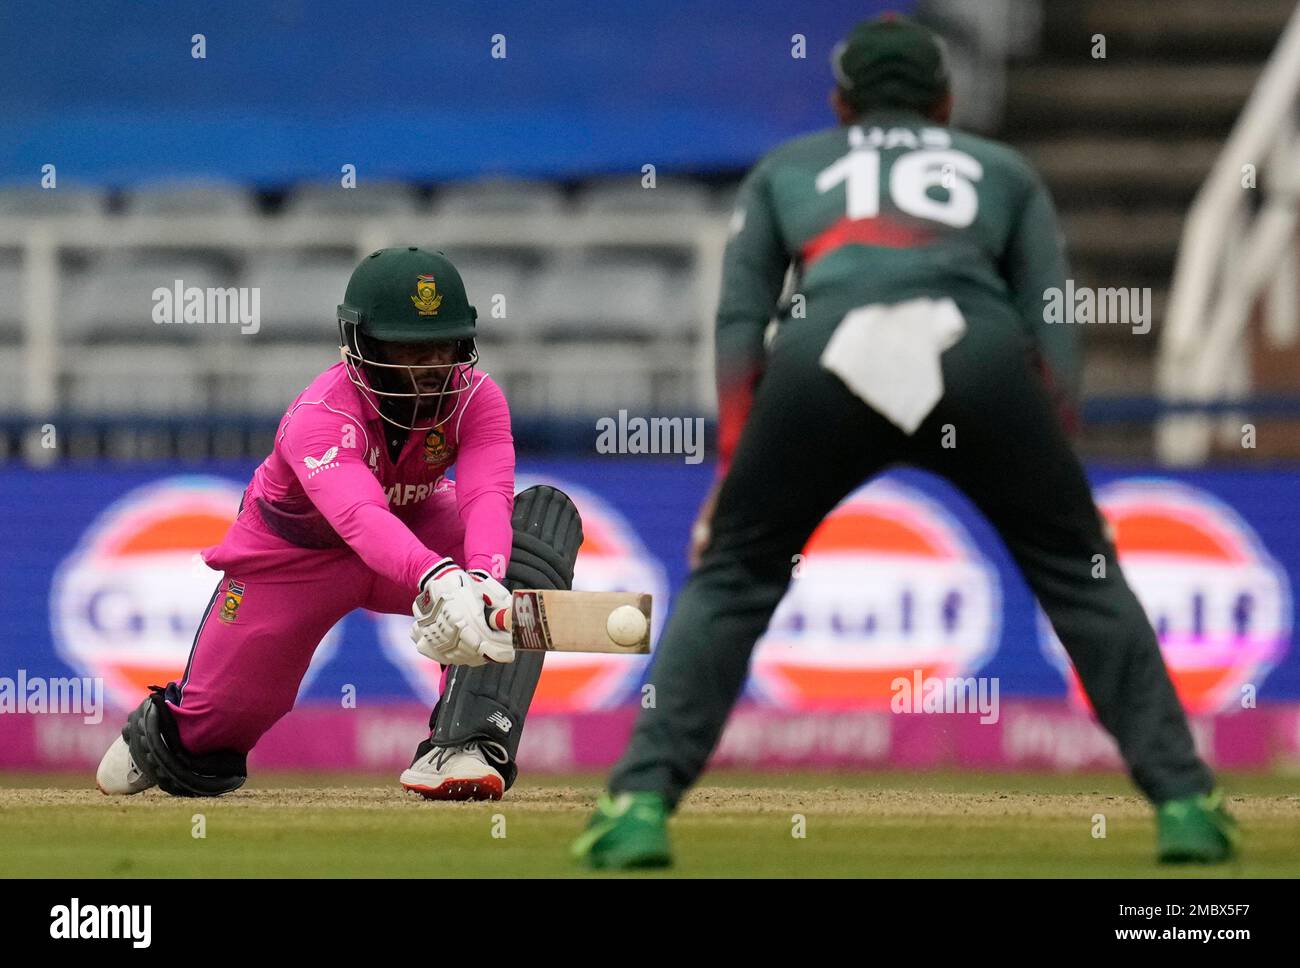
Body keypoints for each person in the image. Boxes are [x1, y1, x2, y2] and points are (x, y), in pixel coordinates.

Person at [573, 14, 1238, 869]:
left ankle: (638, 807)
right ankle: (1184, 803)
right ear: (948, 101)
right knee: (1081, 574)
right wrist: (1055, 459)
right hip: (978, 354)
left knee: (735, 575)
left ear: (841, 104)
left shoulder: (788, 167)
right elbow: (1053, 327)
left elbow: (741, 319)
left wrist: (735, 469)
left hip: (827, 356)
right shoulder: (1003, 170)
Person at [96, 246, 581, 801]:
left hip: (416, 531)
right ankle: (169, 733)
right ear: (362, 346)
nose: (426, 368)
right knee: (210, 735)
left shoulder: (478, 399)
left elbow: (487, 496)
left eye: (440, 347)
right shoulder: (321, 415)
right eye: (405, 348)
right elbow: (359, 515)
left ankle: (466, 745)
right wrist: (442, 580)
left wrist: (486, 581)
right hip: (294, 555)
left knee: (534, 530)